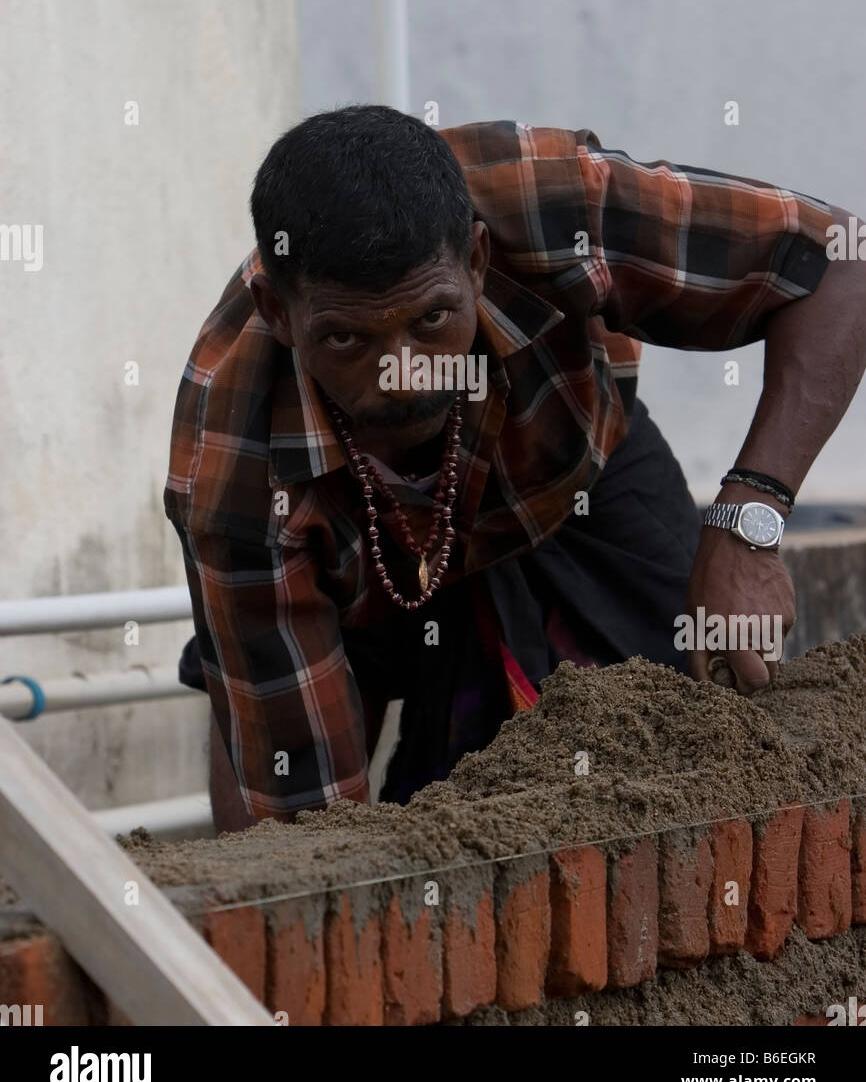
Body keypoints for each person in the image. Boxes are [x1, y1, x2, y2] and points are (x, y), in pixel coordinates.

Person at [165, 105, 866, 830]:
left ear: (475, 260)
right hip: (361, 562)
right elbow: (297, 831)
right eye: (345, 338)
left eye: (431, 320)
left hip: (573, 474)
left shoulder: (552, 205)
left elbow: (842, 262)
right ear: (277, 313)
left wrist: (747, 522)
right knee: (352, 835)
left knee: (707, 749)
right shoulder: (235, 474)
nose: (401, 373)